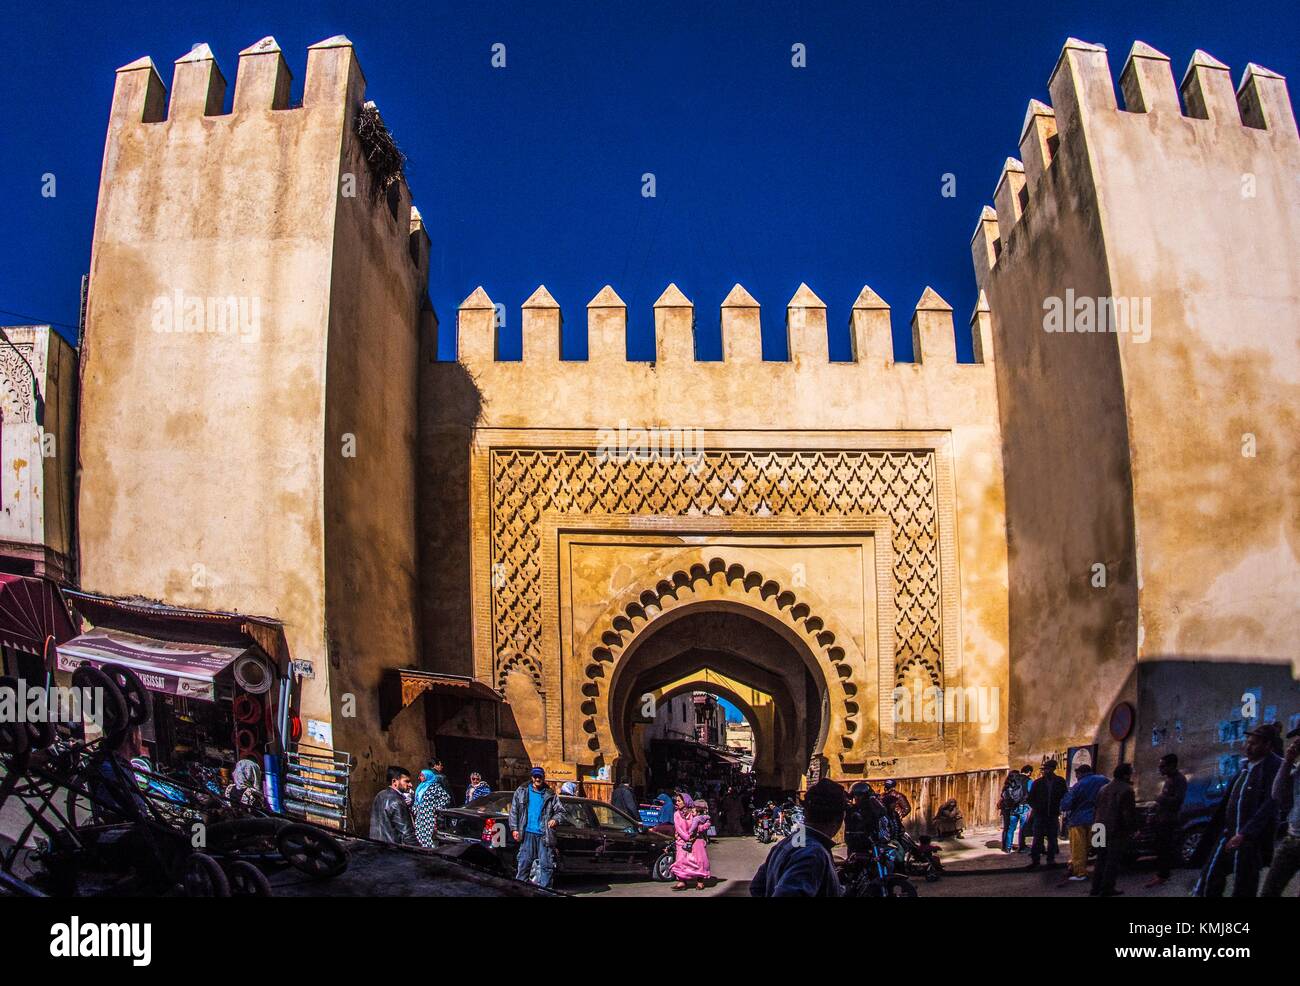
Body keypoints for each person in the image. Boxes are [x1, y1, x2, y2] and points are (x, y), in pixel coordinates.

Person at [1194, 723, 1283, 897]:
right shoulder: (1244, 768)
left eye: (1254, 743)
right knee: (1210, 876)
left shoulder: (1273, 768)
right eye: (1248, 742)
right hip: (1228, 834)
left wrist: (1245, 833)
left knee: (1244, 884)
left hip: (1248, 840)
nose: (1248, 746)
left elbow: (1269, 806)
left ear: (1268, 746)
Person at [750, 779, 847, 897]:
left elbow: (757, 886)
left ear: (806, 813)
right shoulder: (813, 853)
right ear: (839, 818)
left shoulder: (788, 842)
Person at [508, 766, 563, 888]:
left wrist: (555, 819)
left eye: (540, 776)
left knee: (546, 866)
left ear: (543, 778)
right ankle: (519, 890)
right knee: (524, 864)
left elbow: (561, 812)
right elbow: (513, 811)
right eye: (535, 776)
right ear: (532, 777)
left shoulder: (550, 794)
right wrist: (514, 828)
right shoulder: (522, 791)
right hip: (527, 833)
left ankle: (545, 892)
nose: (538, 779)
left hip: (544, 835)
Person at [1260, 728, 1300, 897]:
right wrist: (1288, 761)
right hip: (1292, 839)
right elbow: (1276, 793)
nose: (1297, 742)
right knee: (1269, 891)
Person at [1090, 763, 1137, 896]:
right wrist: (1132, 829)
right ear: (1126, 775)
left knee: (1100, 859)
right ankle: (1107, 888)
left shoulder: (1103, 788)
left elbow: (1096, 809)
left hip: (1099, 827)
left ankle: (1095, 888)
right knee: (1112, 861)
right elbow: (1127, 813)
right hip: (1115, 829)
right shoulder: (1127, 790)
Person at [1144, 753, 1187, 888]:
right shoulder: (1169, 779)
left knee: (1165, 849)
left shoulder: (1179, 780)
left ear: (1172, 766)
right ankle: (1161, 874)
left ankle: (1163, 875)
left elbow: (1178, 800)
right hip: (1161, 819)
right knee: (1160, 848)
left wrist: (1161, 799)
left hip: (1169, 821)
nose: (1160, 769)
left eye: (1163, 766)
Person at [1059, 763, 1106, 882]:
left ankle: (1080, 873)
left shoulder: (1077, 786)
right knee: (1100, 847)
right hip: (1099, 820)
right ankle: (1101, 871)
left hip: (1078, 822)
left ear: (1080, 773)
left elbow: (1065, 805)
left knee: (1078, 849)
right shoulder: (1104, 780)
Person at [1026, 759, 1067, 869]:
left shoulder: (1060, 781)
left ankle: (1051, 859)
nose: (1046, 771)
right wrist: (1037, 808)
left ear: (1053, 769)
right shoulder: (1038, 782)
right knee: (1037, 838)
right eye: (1045, 769)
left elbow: (1065, 796)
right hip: (1040, 814)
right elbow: (1030, 798)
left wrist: (1060, 808)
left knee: (1052, 838)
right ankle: (1035, 860)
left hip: (1053, 815)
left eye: (1048, 769)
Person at [370, 765, 419, 847]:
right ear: (394, 782)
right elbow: (407, 834)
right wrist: (420, 853)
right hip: (392, 852)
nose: (410, 785)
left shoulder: (380, 795)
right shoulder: (397, 802)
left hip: (376, 849)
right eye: (406, 781)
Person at [670, 794, 712, 890]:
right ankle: (681, 882)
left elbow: (705, 823)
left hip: (697, 840)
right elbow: (678, 828)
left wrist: (699, 830)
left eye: (679, 801)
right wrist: (687, 837)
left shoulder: (695, 812)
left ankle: (700, 882)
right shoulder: (676, 814)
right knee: (681, 861)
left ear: (686, 802)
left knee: (699, 861)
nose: (677, 803)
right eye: (676, 801)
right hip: (682, 841)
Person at [843, 781, 890, 857]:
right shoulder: (851, 809)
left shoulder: (871, 809)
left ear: (866, 796)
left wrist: (873, 799)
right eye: (855, 795)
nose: (857, 798)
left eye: (860, 795)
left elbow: (882, 812)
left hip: (869, 843)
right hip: (854, 843)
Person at [413, 766, 453, 848]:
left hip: (429, 815)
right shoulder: (420, 786)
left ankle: (429, 853)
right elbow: (417, 800)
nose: (419, 777)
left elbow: (446, 798)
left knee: (428, 835)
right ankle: (421, 851)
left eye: (421, 775)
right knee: (419, 835)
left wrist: (436, 808)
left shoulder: (435, 787)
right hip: (419, 815)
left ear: (427, 776)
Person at [999, 765, 1031, 853]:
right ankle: (1021, 847)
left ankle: (1007, 848)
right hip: (1023, 806)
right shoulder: (1027, 781)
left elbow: (1003, 795)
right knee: (1022, 828)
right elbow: (1031, 793)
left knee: (1010, 828)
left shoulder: (1010, 783)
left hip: (1013, 807)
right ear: (1029, 772)